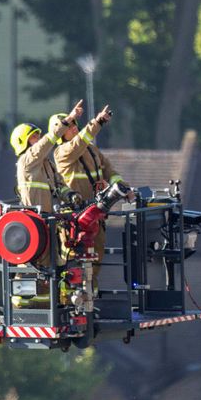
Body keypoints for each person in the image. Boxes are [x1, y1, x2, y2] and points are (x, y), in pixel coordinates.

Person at [50, 103, 131, 278]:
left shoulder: (92, 150)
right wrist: (98, 121)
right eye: (68, 126)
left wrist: (124, 188)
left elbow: (109, 170)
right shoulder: (62, 152)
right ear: (59, 134)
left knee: (96, 260)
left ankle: (90, 300)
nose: (73, 128)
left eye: (74, 124)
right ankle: (71, 301)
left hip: (96, 215)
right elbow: (79, 142)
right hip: (75, 219)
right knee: (74, 264)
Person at [10, 99, 84, 213]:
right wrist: (69, 119)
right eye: (34, 137)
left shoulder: (48, 165)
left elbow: (59, 187)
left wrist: (71, 195)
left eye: (38, 136)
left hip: (50, 220)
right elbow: (48, 140)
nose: (38, 139)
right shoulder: (26, 160)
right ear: (22, 141)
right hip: (35, 221)